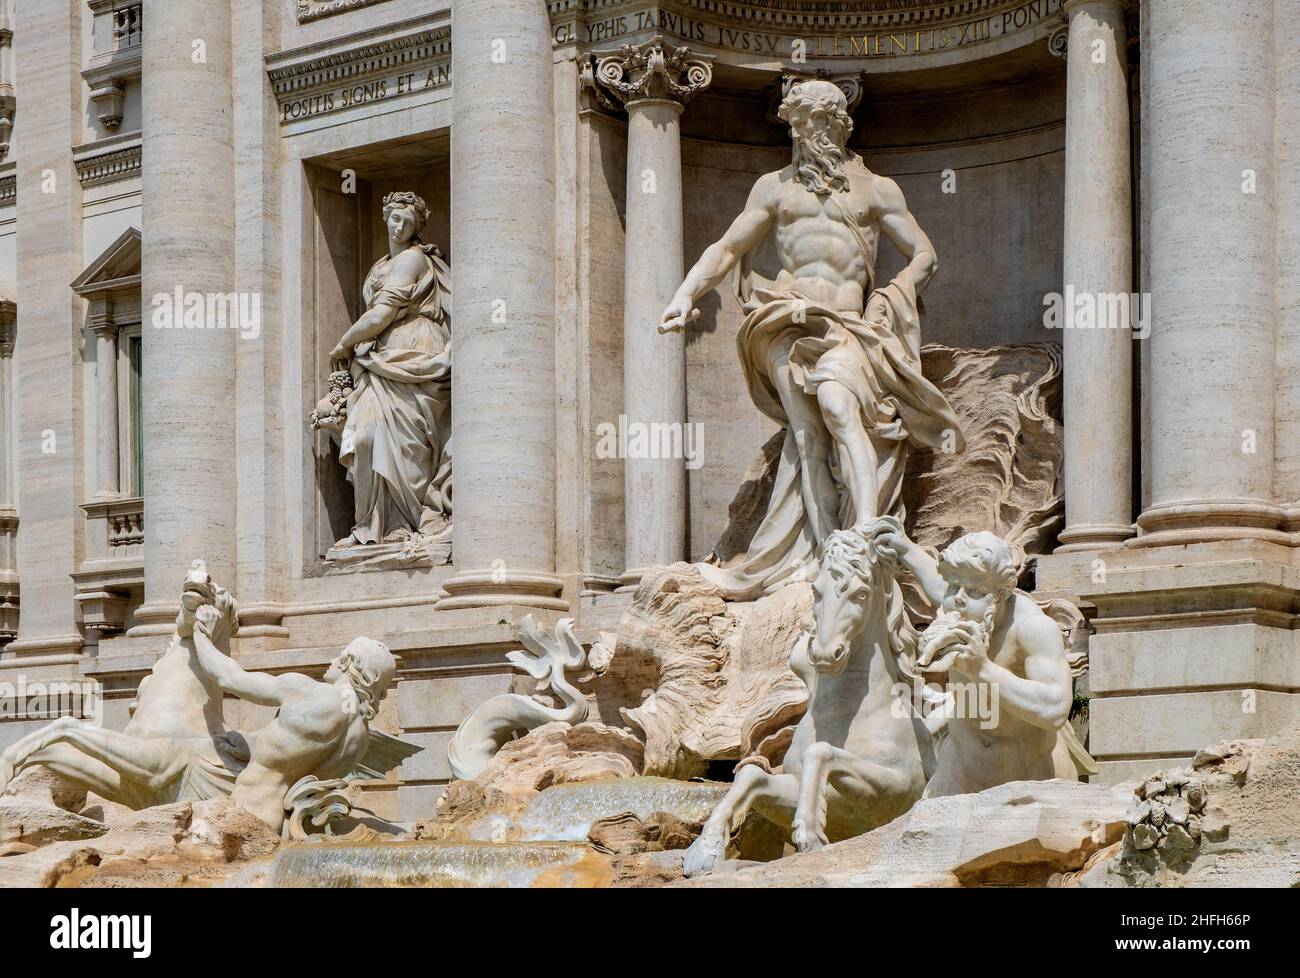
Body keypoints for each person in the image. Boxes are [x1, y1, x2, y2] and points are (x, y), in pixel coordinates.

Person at [660, 80, 961, 598]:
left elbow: (924, 255)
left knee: (841, 411)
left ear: (840, 125)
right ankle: (821, 557)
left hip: (846, 324)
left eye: (819, 123)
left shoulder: (877, 190)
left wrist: (889, 300)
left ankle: (867, 535)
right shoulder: (773, 188)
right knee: (807, 438)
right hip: (785, 321)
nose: (808, 134)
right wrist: (686, 293)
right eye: (800, 124)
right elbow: (728, 248)